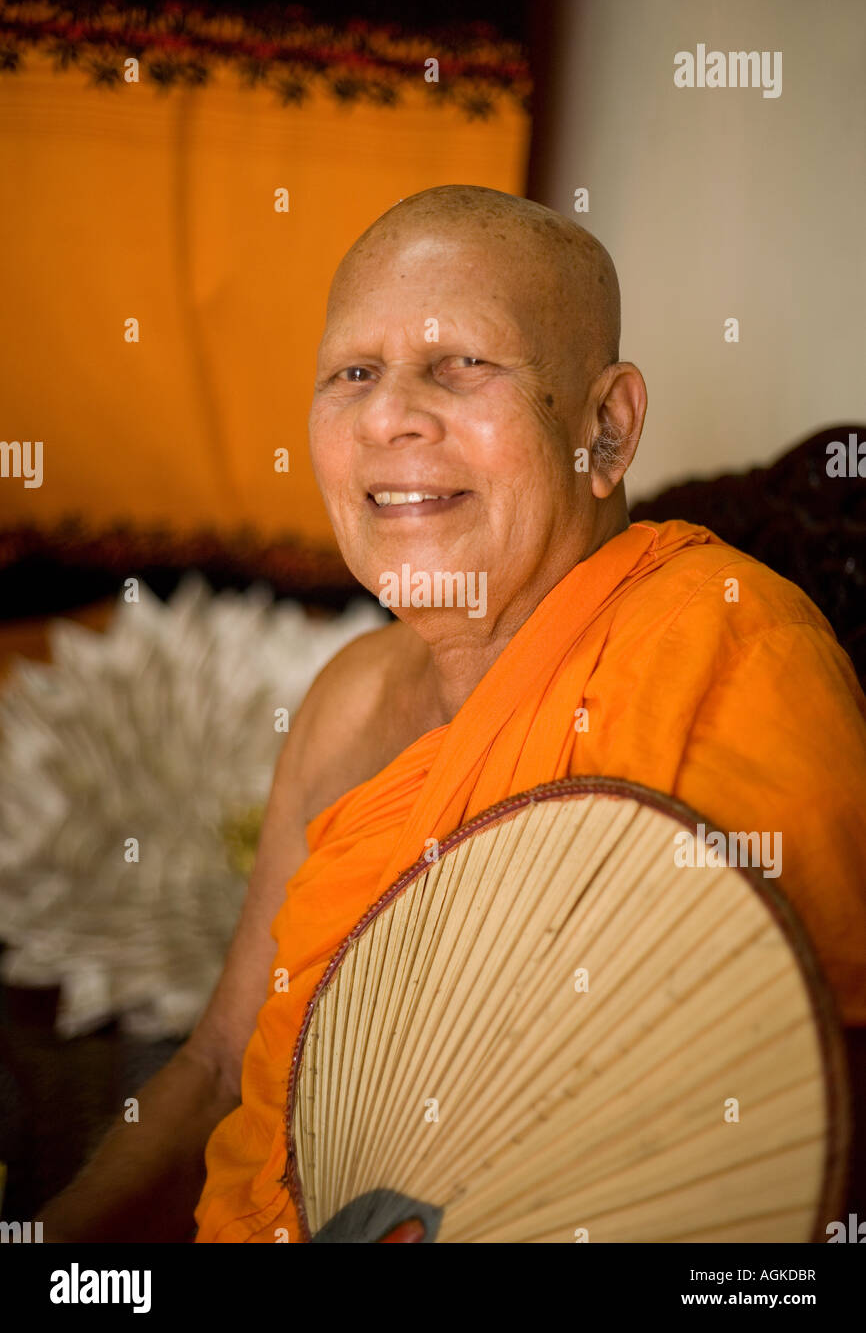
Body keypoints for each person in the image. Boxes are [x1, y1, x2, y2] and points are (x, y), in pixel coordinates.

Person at [38, 185, 866, 1243]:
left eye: (459, 364)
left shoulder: (725, 653)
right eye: (353, 373)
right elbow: (212, 1065)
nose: (387, 417)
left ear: (603, 430)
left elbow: (781, 1133)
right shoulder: (347, 702)